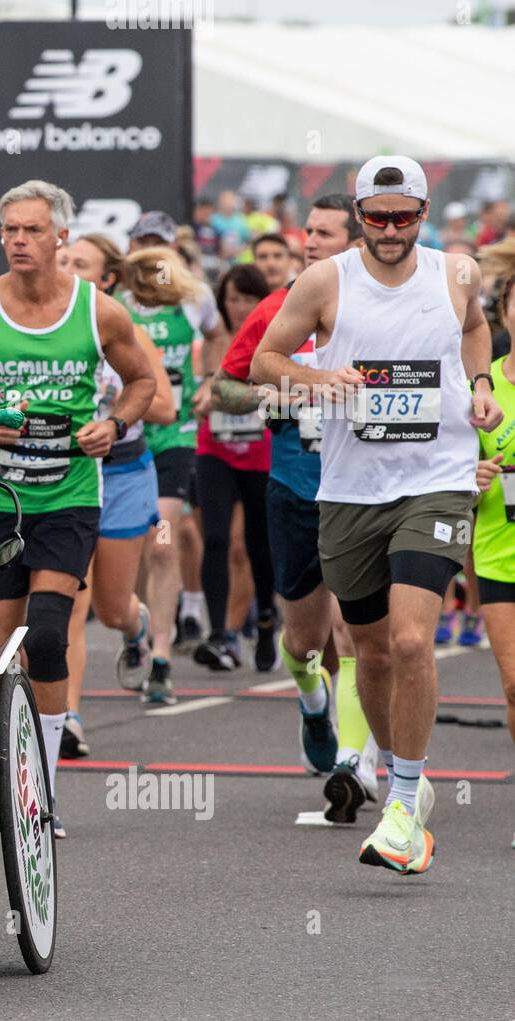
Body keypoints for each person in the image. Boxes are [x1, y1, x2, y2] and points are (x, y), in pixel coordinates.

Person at [253, 156, 503, 871]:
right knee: (369, 648)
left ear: (426, 213)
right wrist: (316, 376)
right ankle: (397, 769)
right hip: (350, 489)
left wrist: (480, 384)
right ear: (359, 213)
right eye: (377, 216)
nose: (390, 230)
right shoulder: (326, 280)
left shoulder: (455, 274)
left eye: (406, 216)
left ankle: (402, 804)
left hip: (439, 480)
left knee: (413, 639)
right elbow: (263, 363)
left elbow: (476, 329)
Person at [0, 184, 156, 838]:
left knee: (48, 634)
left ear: (61, 237)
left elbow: (144, 383)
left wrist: (113, 424)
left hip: (69, 496)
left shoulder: (96, 310)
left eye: (33, 230)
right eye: (10, 230)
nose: (20, 241)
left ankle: (40, 792)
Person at [209, 195, 372, 809]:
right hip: (295, 486)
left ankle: (354, 763)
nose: (308, 241)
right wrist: (273, 397)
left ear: (356, 242)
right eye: (306, 230)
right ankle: (311, 702)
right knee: (305, 641)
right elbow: (226, 385)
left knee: (356, 634)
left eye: (323, 232)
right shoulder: (280, 308)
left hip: (363, 488)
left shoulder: (380, 309)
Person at [57, 235, 175, 757]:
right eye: (63, 262)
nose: (65, 270)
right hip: (68, 475)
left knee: (110, 608)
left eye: (79, 265)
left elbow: (166, 407)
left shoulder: (115, 323)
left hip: (124, 473)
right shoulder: (41, 325)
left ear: (107, 280)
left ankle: (138, 624)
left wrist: (114, 407)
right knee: (68, 604)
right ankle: (69, 719)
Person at [119, 244, 227, 704]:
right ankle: (134, 623)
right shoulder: (118, 307)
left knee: (162, 541)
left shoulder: (196, 298)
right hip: (129, 438)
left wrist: (210, 380)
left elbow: (220, 335)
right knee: (135, 545)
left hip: (176, 437)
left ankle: (160, 657)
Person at [190, 263, 276, 672]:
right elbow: (199, 381)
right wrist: (204, 392)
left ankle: (263, 623)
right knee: (217, 540)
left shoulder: (273, 330)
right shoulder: (214, 336)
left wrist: (238, 395)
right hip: (215, 449)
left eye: (248, 299)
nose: (240, 308)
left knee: (258, 543)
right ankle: (219, 633)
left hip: (260, 450)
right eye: (233, 300)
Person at [473, 275, 515, 747]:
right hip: (498, 555)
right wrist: (473, 478)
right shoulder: (481, 391)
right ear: (506, 312)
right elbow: (451, 476)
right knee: (514, 686)